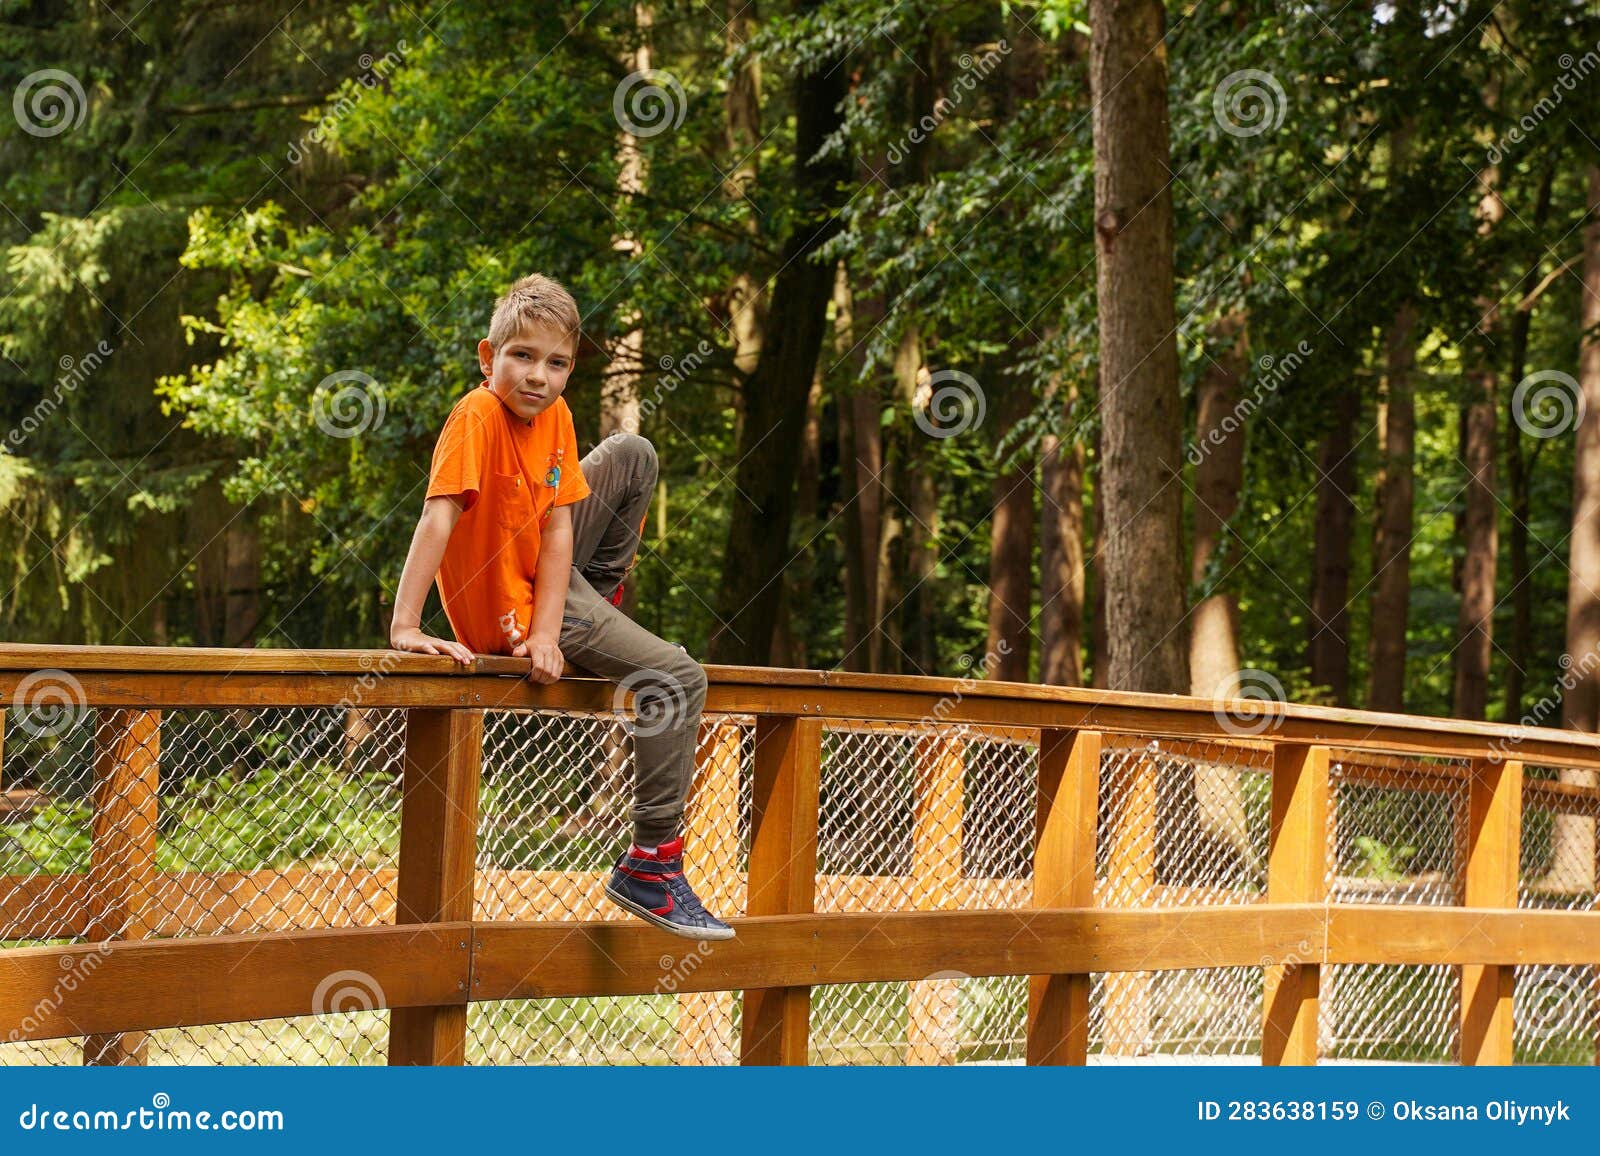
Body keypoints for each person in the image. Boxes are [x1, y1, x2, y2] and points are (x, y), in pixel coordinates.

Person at [389, 273, 732, 941]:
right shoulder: (476, 417)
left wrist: (558, 623)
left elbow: (559, 529)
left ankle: (590, 612)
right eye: (521, 357)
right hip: (509, 611)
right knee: (678, 677)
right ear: (489, 359)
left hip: (553, 589)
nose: (538, 377)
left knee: (633, 454)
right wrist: (407, 625)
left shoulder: (557, 419)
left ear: (571, 369)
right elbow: (436, 518)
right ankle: (651, 867)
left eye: (556, 363)